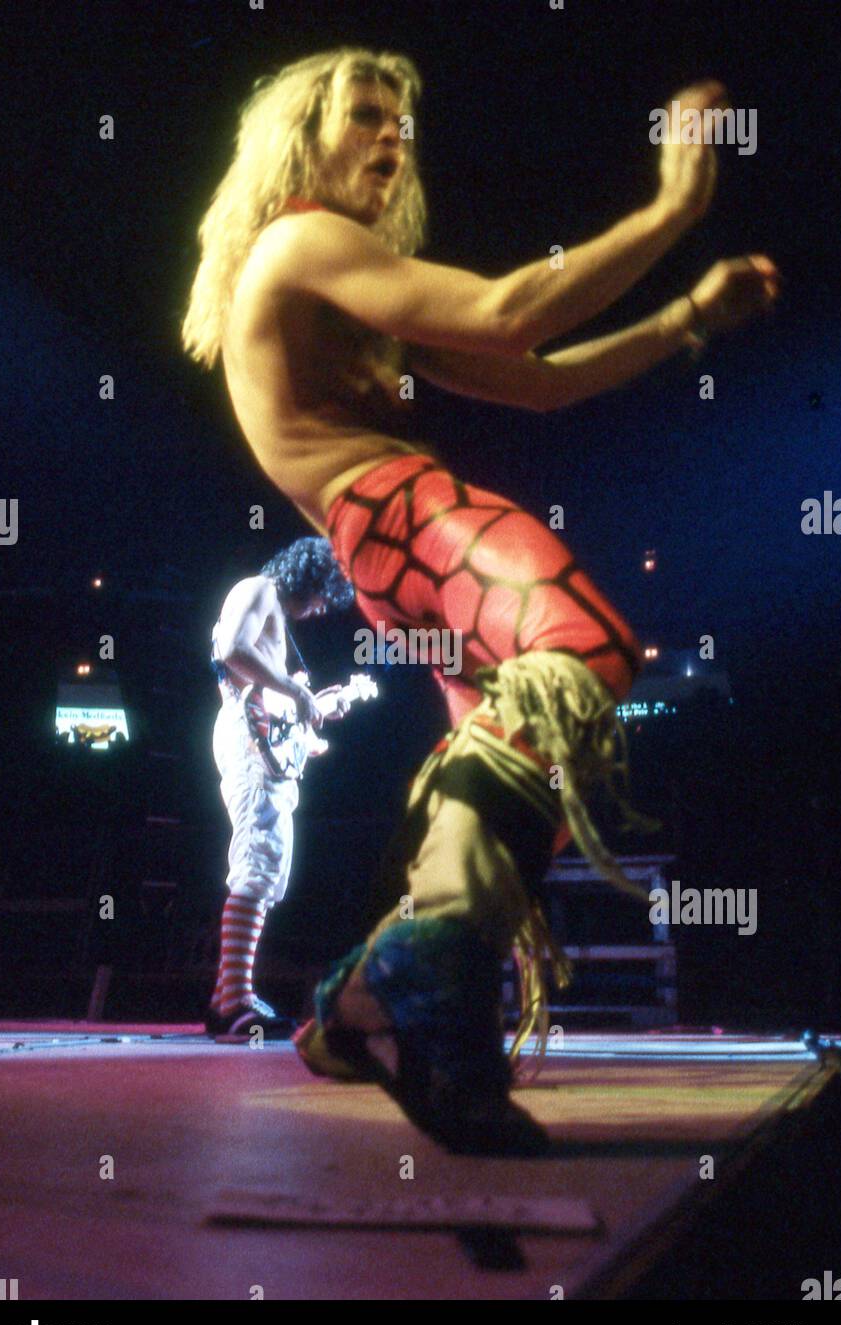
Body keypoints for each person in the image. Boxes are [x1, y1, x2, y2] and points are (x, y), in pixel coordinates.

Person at [183, 50, 779, 1146]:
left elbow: (540, 379)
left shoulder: (345, 283)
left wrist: (687, 313)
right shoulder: (305, 240)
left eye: (400, 121)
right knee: (582, 644)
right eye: (364, 116)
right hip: (390, 509)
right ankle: (404, 975)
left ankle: (366, 1005)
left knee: (523, 796)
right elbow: (511, 310)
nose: (390, 138)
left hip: (385, 549)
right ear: (299, 140)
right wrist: (675, 204)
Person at [207, 538, 353, 1041]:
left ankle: (228, 993)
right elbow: (232, 652)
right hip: (246, 743)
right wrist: (297, 691)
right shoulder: (257, 589)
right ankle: (234, 1003)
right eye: (320, 598)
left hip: (261, 744)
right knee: (257, 857)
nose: (318, 611)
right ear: (309, 580)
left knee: (267, 866)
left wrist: (311, 705)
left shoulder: (274, 613)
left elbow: (267, 692)